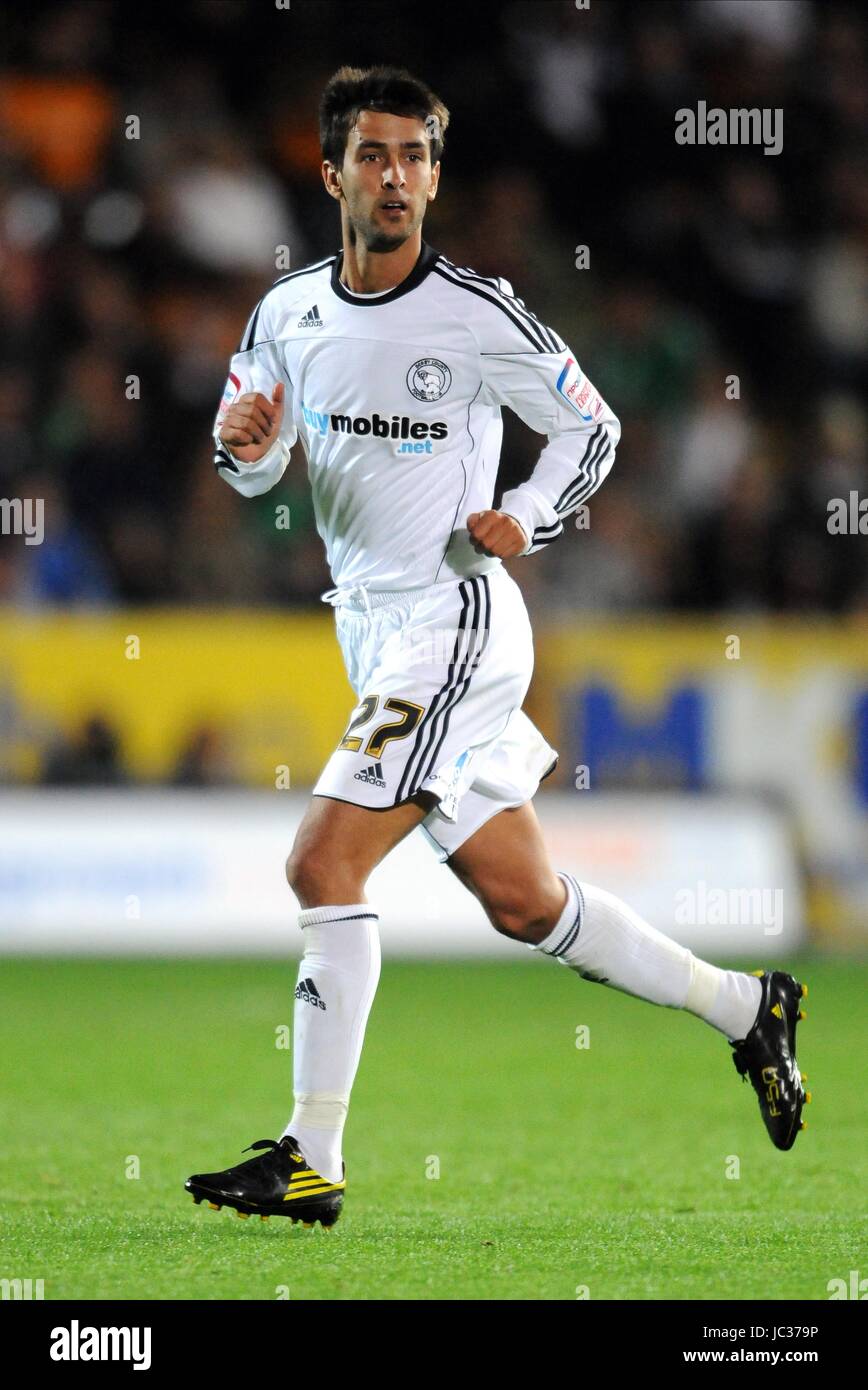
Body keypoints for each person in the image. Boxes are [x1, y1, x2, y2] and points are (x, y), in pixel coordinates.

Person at [185, 65, 809, 1231]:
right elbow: (252, 460)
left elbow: (594, 428)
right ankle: (746, 1008)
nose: (397, 176)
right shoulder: (287, 314)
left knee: (323, 866)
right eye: (373, 154)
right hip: (372, 632)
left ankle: (309, 1156)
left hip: (456, 621)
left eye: (416, 156)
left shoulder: (477, 315)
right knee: (525, 903)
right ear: (331, 174)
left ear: (433, 176)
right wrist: (245, 449)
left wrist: (526, 514)